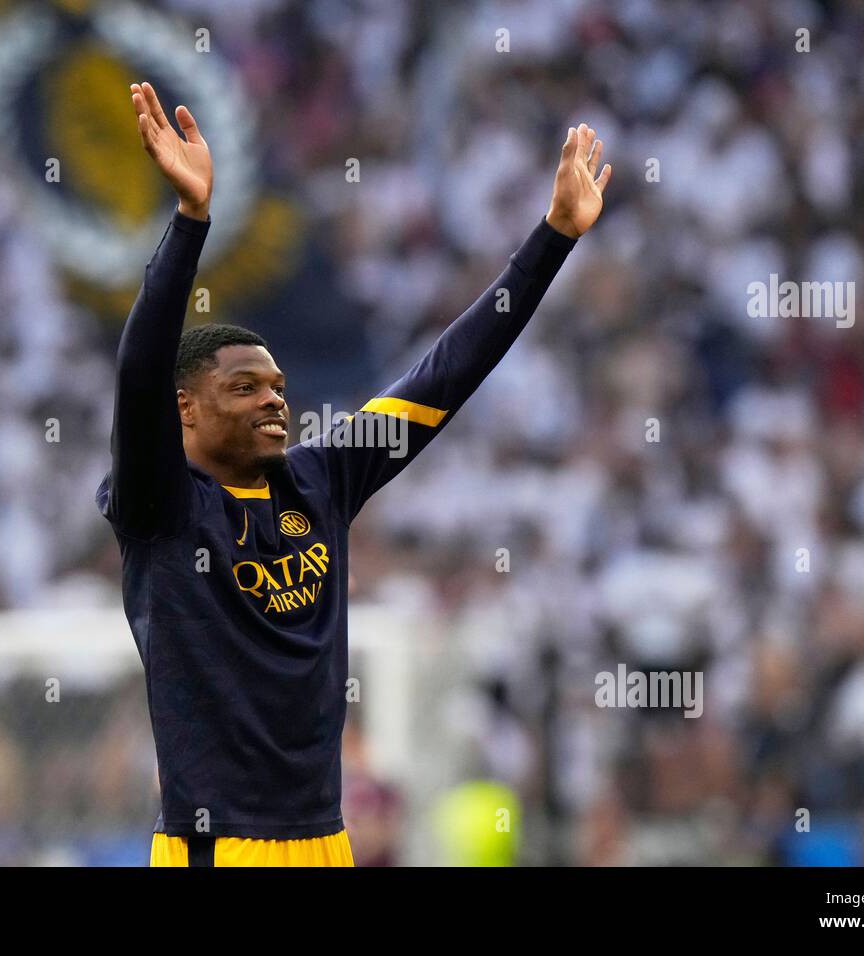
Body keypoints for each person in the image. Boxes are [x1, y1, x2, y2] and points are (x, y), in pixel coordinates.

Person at [97, 81, 612, 866]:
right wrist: (191, 223)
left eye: (277, 387)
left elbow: (444, 375)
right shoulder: (160, 508)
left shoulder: (321, 480)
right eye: (244, 388)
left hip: (328, 845)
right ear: (185, 414)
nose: (274, 402)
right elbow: (138, 372)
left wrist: (553, 238)